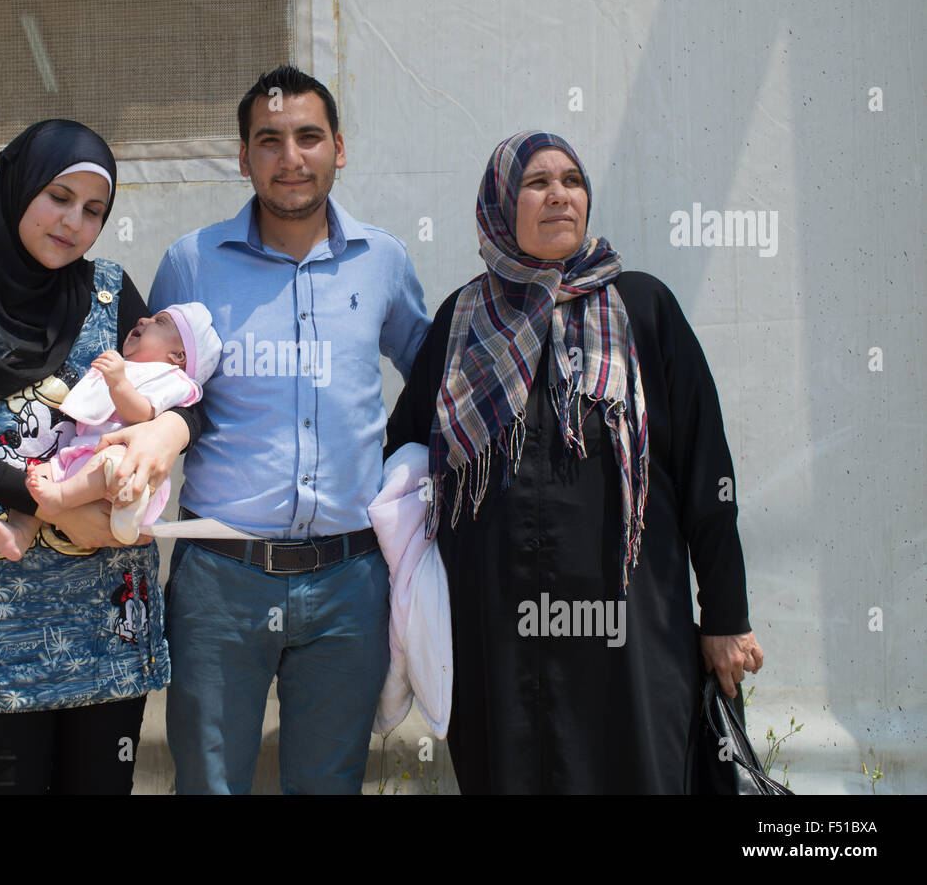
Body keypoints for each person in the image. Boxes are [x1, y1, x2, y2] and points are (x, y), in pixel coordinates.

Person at [384, 130, 765, 794]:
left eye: (572, 180)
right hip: (495, 632)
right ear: (501, 203)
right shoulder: (461, 320)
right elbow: (405, 459)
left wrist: (727, 615)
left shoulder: (643, 308)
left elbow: (709, 470)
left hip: (631, 628)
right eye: (537, 182)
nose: (559, 193)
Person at [0, 119, 199, 795]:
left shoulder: (111, 294)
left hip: (107, 621)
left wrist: (171, 432)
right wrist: (40, 497)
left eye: (93, 210)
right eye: (59, 196)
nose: (74, 222)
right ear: (20, 186)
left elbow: (182, 385)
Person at [146, 65, 430, 794]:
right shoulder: (191, 263)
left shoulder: (384, 261)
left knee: (330, 784)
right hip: (220, 577)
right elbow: (157, 395)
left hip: (349, 580)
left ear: (339, 146)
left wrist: (396, 466)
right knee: (208, 782)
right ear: (244, 158)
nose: (290, 157)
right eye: (268, 140)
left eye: (308, 137)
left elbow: (429, 376)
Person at [0, 302, 222, 555]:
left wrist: (118, 384)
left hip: (123, 469)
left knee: (110, 462)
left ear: (179, 356)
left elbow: (141, 414)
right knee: (36, 477)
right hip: (79, 457)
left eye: (159, 322)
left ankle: (68, 500)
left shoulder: (170, 380)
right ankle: (19, 534)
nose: (142, 320)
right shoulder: (129, 368)